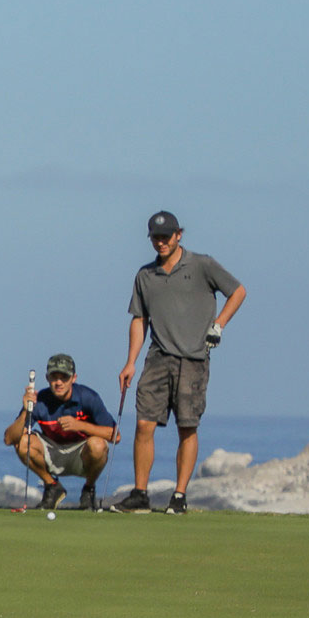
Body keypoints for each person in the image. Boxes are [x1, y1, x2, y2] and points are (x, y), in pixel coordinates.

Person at [112, 210, 248, 515]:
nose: (160, 243)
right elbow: (139, 319)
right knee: (144, 424)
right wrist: (130, 362)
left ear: (178, 235)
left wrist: (219, 325)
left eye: (165, 237)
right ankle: (140, 494)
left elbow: (238, 291)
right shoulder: (145, 275)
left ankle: (179, 495)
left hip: (194, 359)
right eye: (155, 238)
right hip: (158, 358)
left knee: (187, 426)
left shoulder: (202, 265)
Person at [4, 354, 119, 510]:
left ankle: (88, 489)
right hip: (52, 452)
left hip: (81, 454)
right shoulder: (40, 400)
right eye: (54, 377)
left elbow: (115, 436)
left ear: (73, 378)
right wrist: (26, 410)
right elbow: (9, 439)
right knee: (24, 442)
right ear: (47, 378)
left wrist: (80, 426)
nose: (59, 382)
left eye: (64, 377)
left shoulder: (88, 397)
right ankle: (52, 486)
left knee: (98, 445)